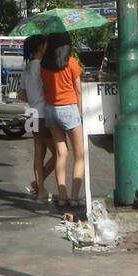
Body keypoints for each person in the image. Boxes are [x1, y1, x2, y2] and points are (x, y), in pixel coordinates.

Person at [40, 31, 84, 215]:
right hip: (69, 109)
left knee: (61, 154)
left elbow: (44, 89)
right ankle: (74, 198)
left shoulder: (44, 65)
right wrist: (79, 113)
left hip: (51, 110)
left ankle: (62, 195)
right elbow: (79, 90)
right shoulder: (72, 63)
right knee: (79, 155)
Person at [18, 34, 52, 201]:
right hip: (43, 114)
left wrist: (33, 98)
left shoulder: (26, 67)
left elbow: (21, 95)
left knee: (38, 154)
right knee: (59, 155)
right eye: (46, 44)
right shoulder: (42, 67)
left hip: (30, 112)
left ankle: (40, 190)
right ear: (40, 47)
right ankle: (37, 185)